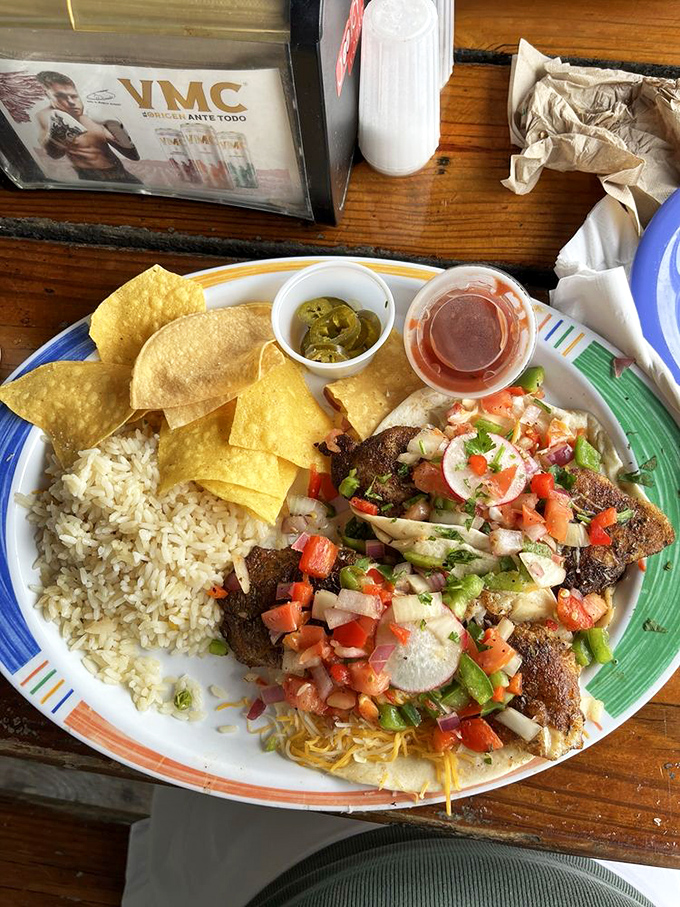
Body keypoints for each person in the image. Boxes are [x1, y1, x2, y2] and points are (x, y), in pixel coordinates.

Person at [34, 70, 142, 184]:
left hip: (119, 172)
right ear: (48, 95)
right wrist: (57, 136)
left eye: (74, 96)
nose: (71, 102)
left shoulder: (93, 119)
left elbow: (133, 156)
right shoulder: (45, 116)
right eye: (61, 96)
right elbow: (54, 154)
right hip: (91, 178)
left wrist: (120, 132)